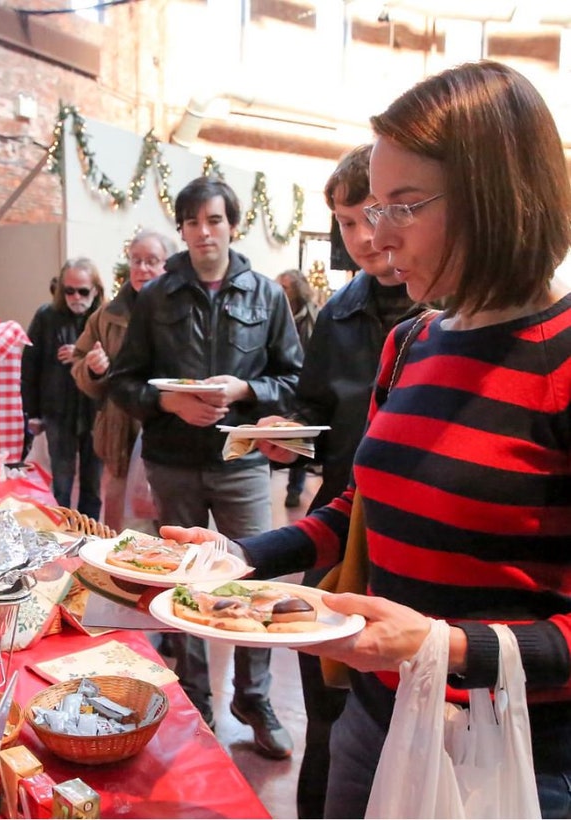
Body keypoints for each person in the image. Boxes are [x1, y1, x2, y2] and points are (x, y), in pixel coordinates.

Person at [181, 61, 571, 818]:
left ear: (495, 197)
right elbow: (366, 503)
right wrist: (244, 558)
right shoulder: (413, 341)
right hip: (375, 715)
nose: (377, 236)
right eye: (370, 207)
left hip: (510, 751)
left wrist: (444, 647)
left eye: (403, 206)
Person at [107, 175, 303, 759]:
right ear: (183, 230)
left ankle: (254, 695)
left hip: (240, 459)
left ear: (232, 226)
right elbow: (122, 381)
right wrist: (167, 400)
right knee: (182, 576)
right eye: (192, 222)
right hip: (172, 459)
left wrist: (244, 387)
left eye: (213, 220)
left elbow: (293, 379)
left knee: (255, 573)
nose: (202, 232)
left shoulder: (266, 295)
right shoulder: (156, 296)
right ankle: (196, 697)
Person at [262, 145, 418, 818]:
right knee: (331, 724)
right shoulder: (341, 315)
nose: (366, 239)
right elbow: (318, 419)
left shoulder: (444, 318)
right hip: (342, 533)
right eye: (348, 223)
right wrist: (283, 436)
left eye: (375, 216)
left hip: (415, 556)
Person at [72, 230, 176, 531]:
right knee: (123, 533)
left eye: (151, 261)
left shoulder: (183, 311)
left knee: (170, 530)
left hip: (172, 438)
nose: (142, 268)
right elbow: (80, 362)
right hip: (119, 438)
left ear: (168, 265)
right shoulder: (107, 316)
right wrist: (93, 369)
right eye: (136, 260)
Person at [22, 258, 105, 520]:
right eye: (69, 290)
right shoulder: (47, 316)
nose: (75, 297)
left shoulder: (105, 317)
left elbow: (119, 359)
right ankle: (62, 537)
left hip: (96, 410)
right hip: (57, 411)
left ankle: (91, 537)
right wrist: (32, 413)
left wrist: (82, 355)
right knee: (62, 483)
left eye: (82, 291)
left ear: (95, 290)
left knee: (93, 484)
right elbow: (30, 366)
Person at [275, 268, 321, 508]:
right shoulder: (279, 313)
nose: (281, 291)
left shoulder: (312, 316)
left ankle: (295, 489)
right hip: (287, 384)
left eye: (286, 287)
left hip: (306, 381)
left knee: (299, 435)